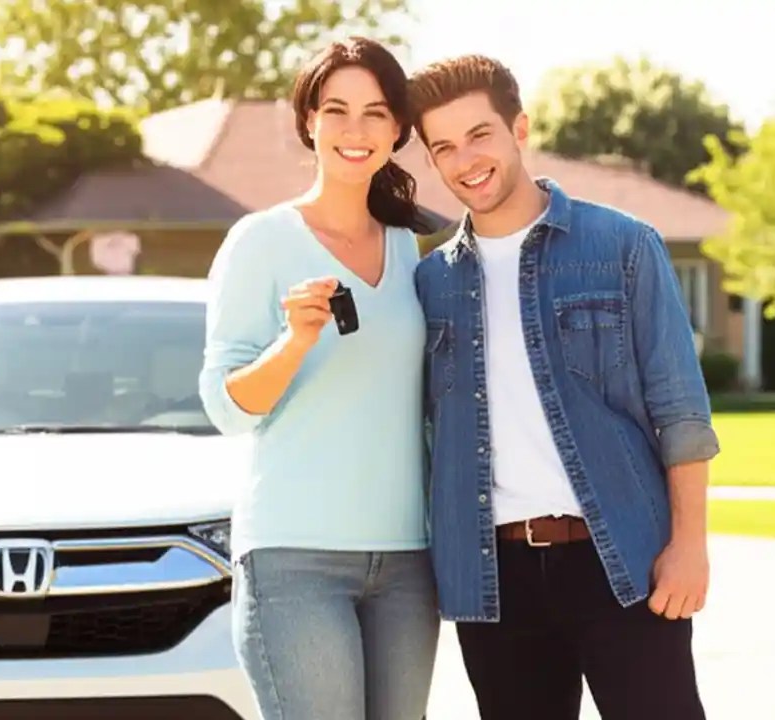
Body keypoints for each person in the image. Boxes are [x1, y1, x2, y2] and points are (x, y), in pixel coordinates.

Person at [406, 54, 718, 720]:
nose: (466, 159)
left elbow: (681, 410)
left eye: (479, 134)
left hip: (624, 563)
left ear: (519, 130)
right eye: (444, 147)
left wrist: (689, 547)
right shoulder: (429, 285)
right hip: (496, 581)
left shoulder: (623, 246)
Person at [198, 36, 439, 720]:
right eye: (336, 110)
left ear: (398, 130)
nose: (355, 131)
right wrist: (295, 339)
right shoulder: (261, 241)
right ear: (308, 121)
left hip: (405, 562)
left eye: (375, 113)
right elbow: (225, 405)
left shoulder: (411, 247)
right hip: (295, 559)